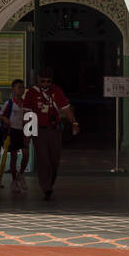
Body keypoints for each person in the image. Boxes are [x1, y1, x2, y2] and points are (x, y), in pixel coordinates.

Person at [22, 68, 79, 200]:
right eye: (43, 81)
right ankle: (46, 188)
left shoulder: (56, 91)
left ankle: (50, 183)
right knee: (43, 160)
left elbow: (66, 109)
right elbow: (27, 115)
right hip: (38, 131)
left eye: (48, 81)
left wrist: (74, 123)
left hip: (55, 130)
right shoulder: (31, 93)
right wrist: (26, 135)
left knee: (54, 160)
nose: (45, 83)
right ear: (38, 79)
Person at [0, 79, 30, 193]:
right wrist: (5, 119)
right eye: (19, 87)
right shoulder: (9, 103)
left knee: (26, 154)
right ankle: (14, 181)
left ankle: (20, 174)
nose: (21, 89)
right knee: (14, 156)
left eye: (23, 87)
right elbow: (0, 115)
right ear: (13, 89)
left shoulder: (26, 103)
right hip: (13, 132)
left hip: (24, 131)